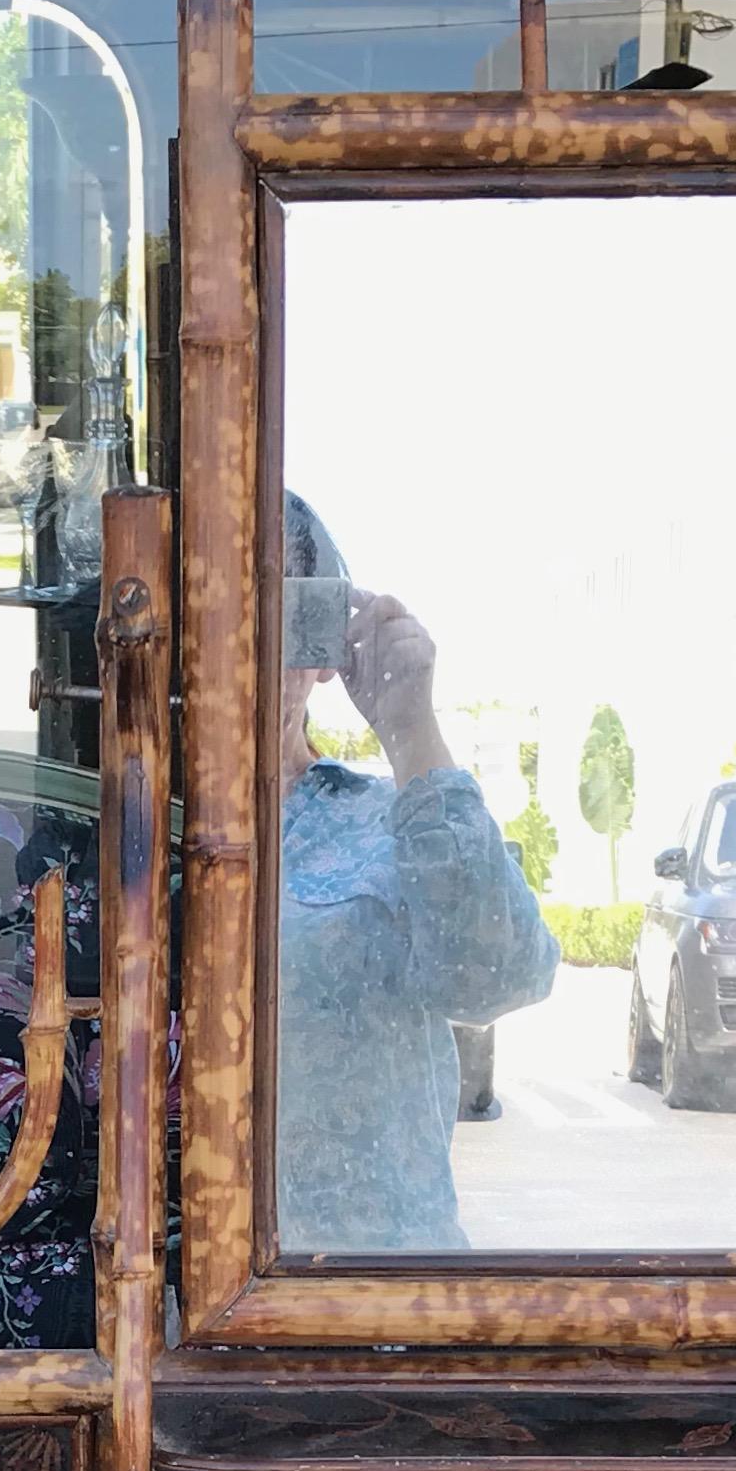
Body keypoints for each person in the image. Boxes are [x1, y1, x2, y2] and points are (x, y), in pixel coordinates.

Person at [275, 496, 558, 1251]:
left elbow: (498, 978)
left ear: (319, 643)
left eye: (267, 605)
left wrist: (411, 732)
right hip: (147, 1321)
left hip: (363, 1322)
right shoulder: (102, 838)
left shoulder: (391, 826)